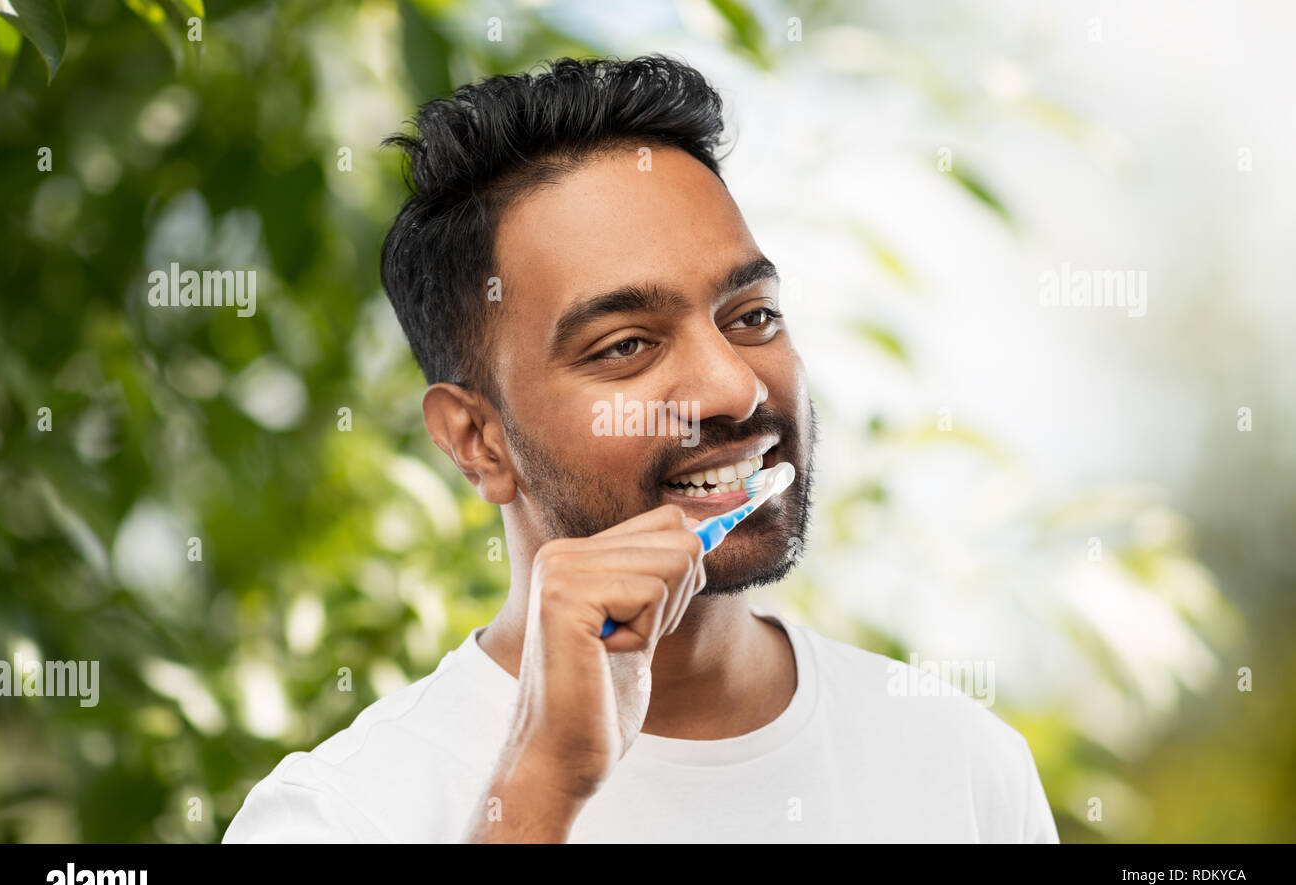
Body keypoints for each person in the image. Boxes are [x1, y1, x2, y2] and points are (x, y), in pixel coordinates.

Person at [224, 54, 1059, 843]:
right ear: (477, 441)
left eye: (752, 317)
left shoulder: (963, 765)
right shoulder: (340, 815)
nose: (734, 388)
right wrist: (542, 787)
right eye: (626, 345)